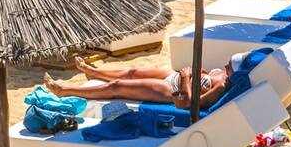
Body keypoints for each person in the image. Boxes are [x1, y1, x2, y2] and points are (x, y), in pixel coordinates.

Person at [42, 56, 240, 109]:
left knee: (117, 87)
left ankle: (65, 90)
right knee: (132, 71)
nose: (225, 64)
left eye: (230, 65)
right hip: (176, 76)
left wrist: (186, 78)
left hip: (172, 88)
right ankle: (94, 72)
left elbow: (190, 104)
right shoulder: (221, 74)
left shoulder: (221, 86)